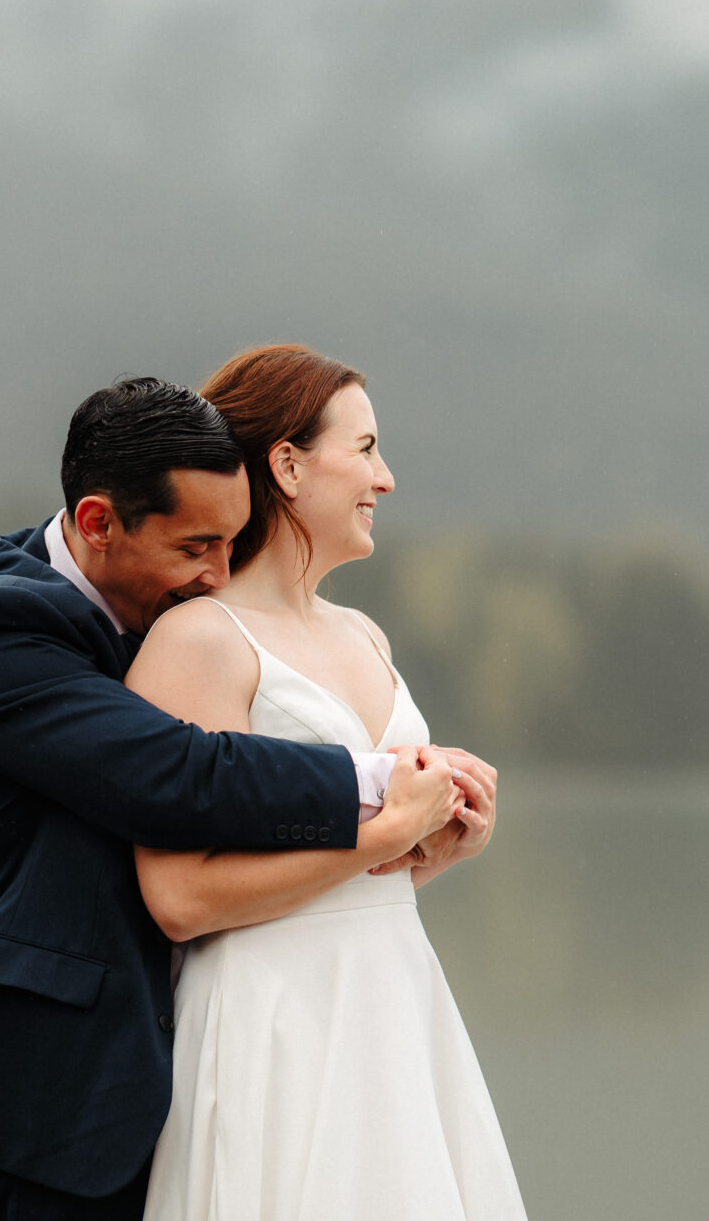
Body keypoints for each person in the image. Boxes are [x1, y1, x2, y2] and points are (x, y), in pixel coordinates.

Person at [0, 377, 474, 1221]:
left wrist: (425, 837)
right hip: (53, 1095)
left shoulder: (165, 605)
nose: (218, 575)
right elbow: (182, 773)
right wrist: (385, 783)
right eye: (196, 546)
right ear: (98, 523)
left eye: (232, 543)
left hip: (207, 1066)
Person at [133, 345, 527, 1219]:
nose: (386, 479)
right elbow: (180, 900)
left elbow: (355, 882)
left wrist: (442, 844)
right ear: (287, 464)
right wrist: (385, 832)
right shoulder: (200, 640)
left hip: (394, 1004)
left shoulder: (365, 635)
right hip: (275, 1021)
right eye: (367, 448)